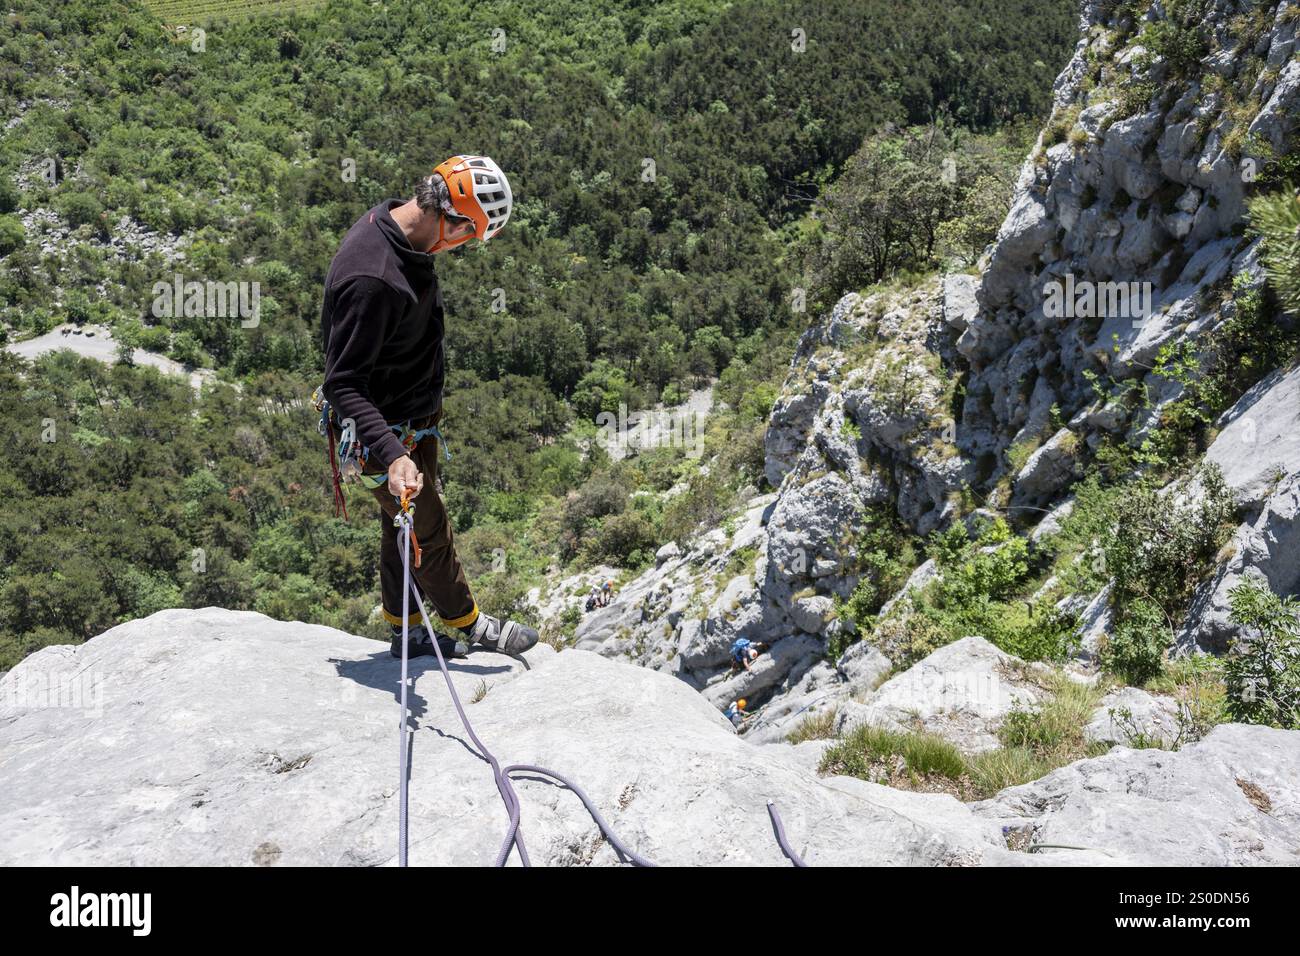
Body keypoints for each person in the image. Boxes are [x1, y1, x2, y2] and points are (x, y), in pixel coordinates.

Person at [319, 155, 536, 661]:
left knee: (403, 524)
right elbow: (342, 383)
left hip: (412, 423)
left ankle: (407, 631)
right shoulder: (372, 277)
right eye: (468, 235)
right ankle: (470, 623)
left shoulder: (400, 226)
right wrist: (394, 455)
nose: (463, 246)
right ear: (452, 217)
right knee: (427, 525)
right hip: (380, 434)